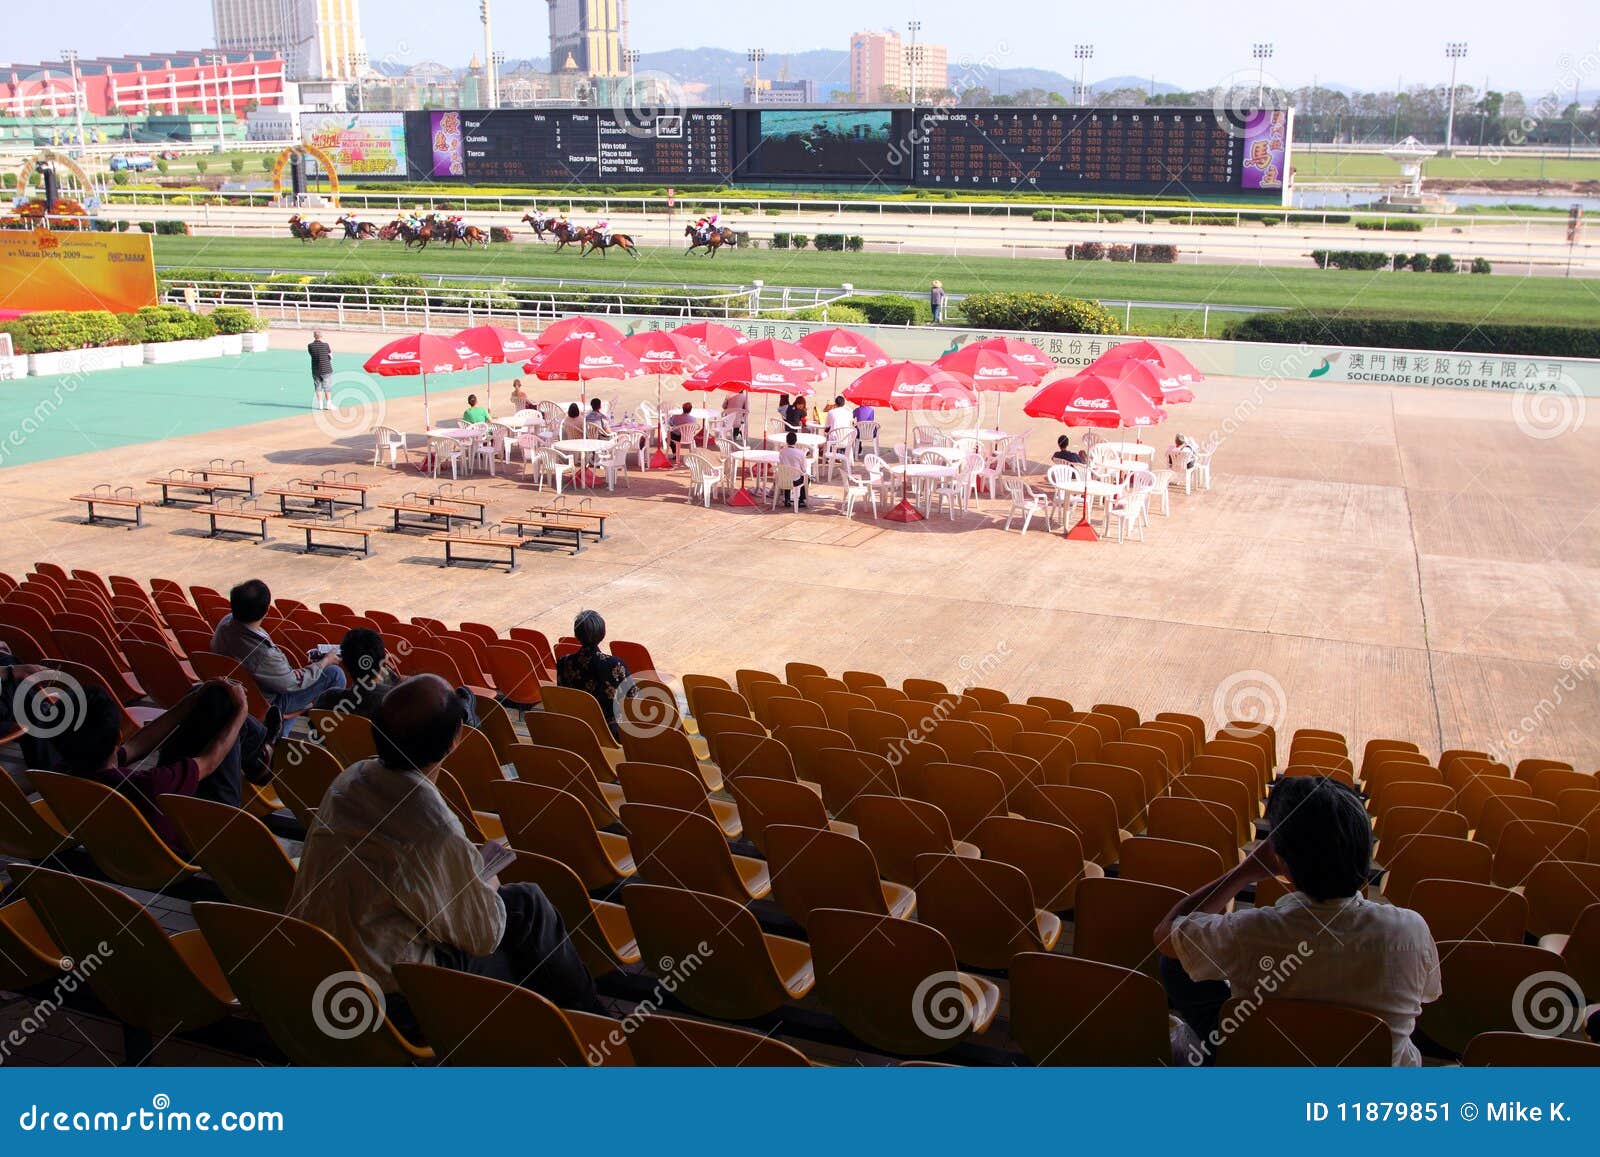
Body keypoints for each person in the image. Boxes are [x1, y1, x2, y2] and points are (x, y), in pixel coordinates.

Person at [288, 675, 599, 1015]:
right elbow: (485, 935)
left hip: (316, 961)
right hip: (392, 997)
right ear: (455, 740)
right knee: (528, 905)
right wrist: (486, 881)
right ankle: (590, 1020)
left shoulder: (350, 779)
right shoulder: (431, 825)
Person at [1154, 775, 1441, 1066]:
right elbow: (1426, 997)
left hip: (1269, 1064)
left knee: (1177, 962)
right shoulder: (1411, 930)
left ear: (1282, 862)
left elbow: (1166, 933)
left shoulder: (1249, 932)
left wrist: (1244, 873)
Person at [51, 680, 252, 852]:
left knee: (208, 701)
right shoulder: (150, 784)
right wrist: (241, 709)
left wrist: (192, 698)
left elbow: (138, 745)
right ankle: (260, 750)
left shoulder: (62, 774)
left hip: (125, 847)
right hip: (189, 845)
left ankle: (260, 748)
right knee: (224, 710)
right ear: (119, 737)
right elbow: (210, 761)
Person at [212, 579, 346, 736]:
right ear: (266, 611)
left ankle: (282, 730)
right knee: (335, 673)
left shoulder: (225, 623)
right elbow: (292, 684)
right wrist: (325, 661)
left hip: (234, 692)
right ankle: (322, 731)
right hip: (266, 701)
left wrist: (283, 673)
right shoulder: (264, 653)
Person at [555, 611, 632, 736]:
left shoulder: (563, 662)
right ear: (602, 634)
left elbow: (563, 693)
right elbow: (633, 696)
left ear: (576, 635)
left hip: (577, 727)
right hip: (612, 732)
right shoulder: (615, 664)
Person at [777, 430, 810, 508]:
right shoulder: (800, 453)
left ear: (786, 441)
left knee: (787, 474)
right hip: (795, 481)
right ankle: (801, 500)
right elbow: (804, 469)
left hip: (784, 479)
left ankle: (787, 499)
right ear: (796, 441)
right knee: (806, 478)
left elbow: (781, 464)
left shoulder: (781, 452)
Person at [307, 331, 332, 412]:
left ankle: (320, 405)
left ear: (314, 336)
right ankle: (328, 404)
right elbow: (330, 355)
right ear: (321, 336)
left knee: (318, 387)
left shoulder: (310, 346)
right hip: (326, 369)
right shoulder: (326, 345)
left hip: (315, 369)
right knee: (327, 387)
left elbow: (311, 354)